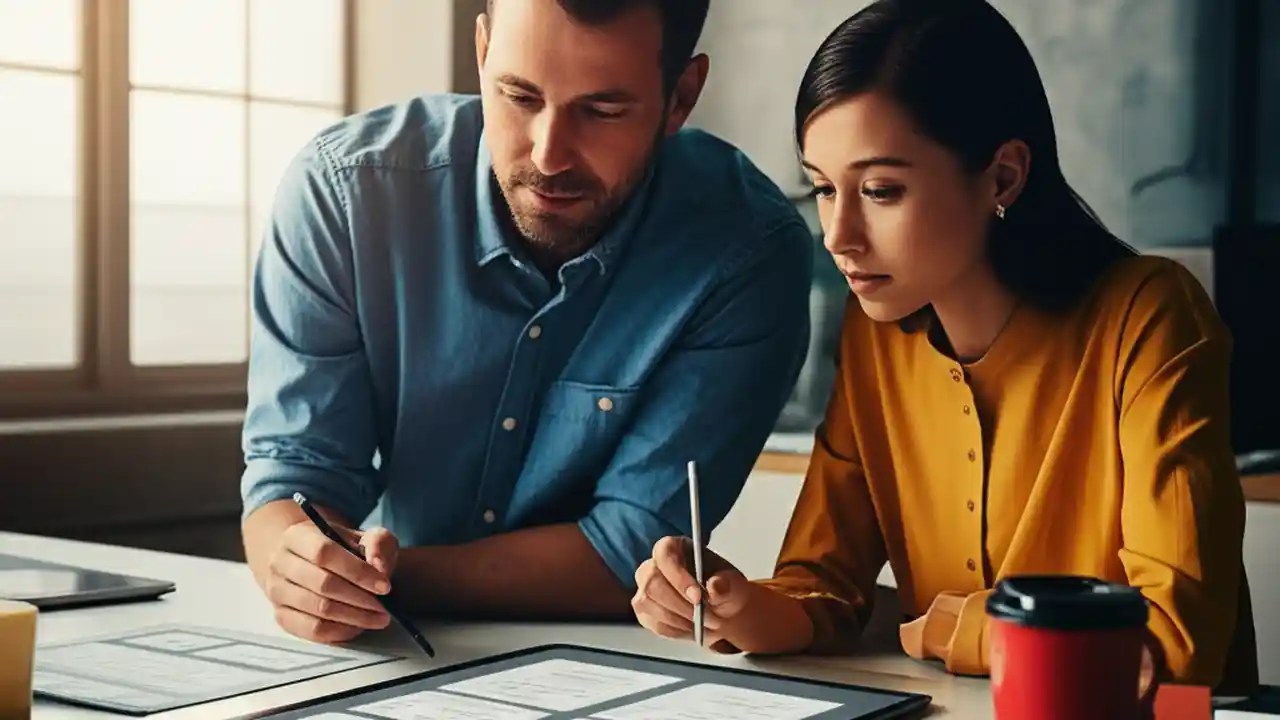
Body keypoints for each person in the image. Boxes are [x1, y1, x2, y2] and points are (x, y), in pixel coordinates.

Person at [632, 0, 1256, 692]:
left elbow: (1174, 643)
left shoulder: (1149, 317)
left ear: (1003, 177)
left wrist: (950, 627)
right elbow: (823, 588)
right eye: (823, 189)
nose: (838, 235)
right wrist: (737, 606)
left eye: (879, 190)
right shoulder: (876, 336)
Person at [241, 0, 813, 644]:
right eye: (518, 95)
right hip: (377, 649)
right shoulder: (344, 192)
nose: (548, 155)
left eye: (602, 110)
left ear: (680, 97)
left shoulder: (748, 251)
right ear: (482, 53)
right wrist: (293, 565)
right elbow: (295, 474)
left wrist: (379, 581)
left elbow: (634, 547)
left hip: (598, 662)